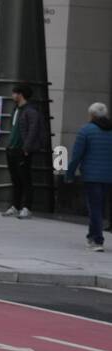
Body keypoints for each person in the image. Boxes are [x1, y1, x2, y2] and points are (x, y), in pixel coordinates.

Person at [66, 101, 112, 252]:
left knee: (95, 208)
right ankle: (92, 236)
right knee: (101, 207)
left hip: (92, 176)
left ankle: (97, 240)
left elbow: (77, 155)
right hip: (108, 176)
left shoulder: (86, 131)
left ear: (91, 115)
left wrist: (70, 173)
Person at [4, 84, 47, 218]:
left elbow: (33, 131)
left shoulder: (30, 111)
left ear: (20, 94)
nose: (12, 96)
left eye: (14, 93)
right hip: (12, 148)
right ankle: (15, 206)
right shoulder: (17, 109)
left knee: (25, 179)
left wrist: (26, 148)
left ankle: (27, 207)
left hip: (22, 150)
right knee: (15, 179)